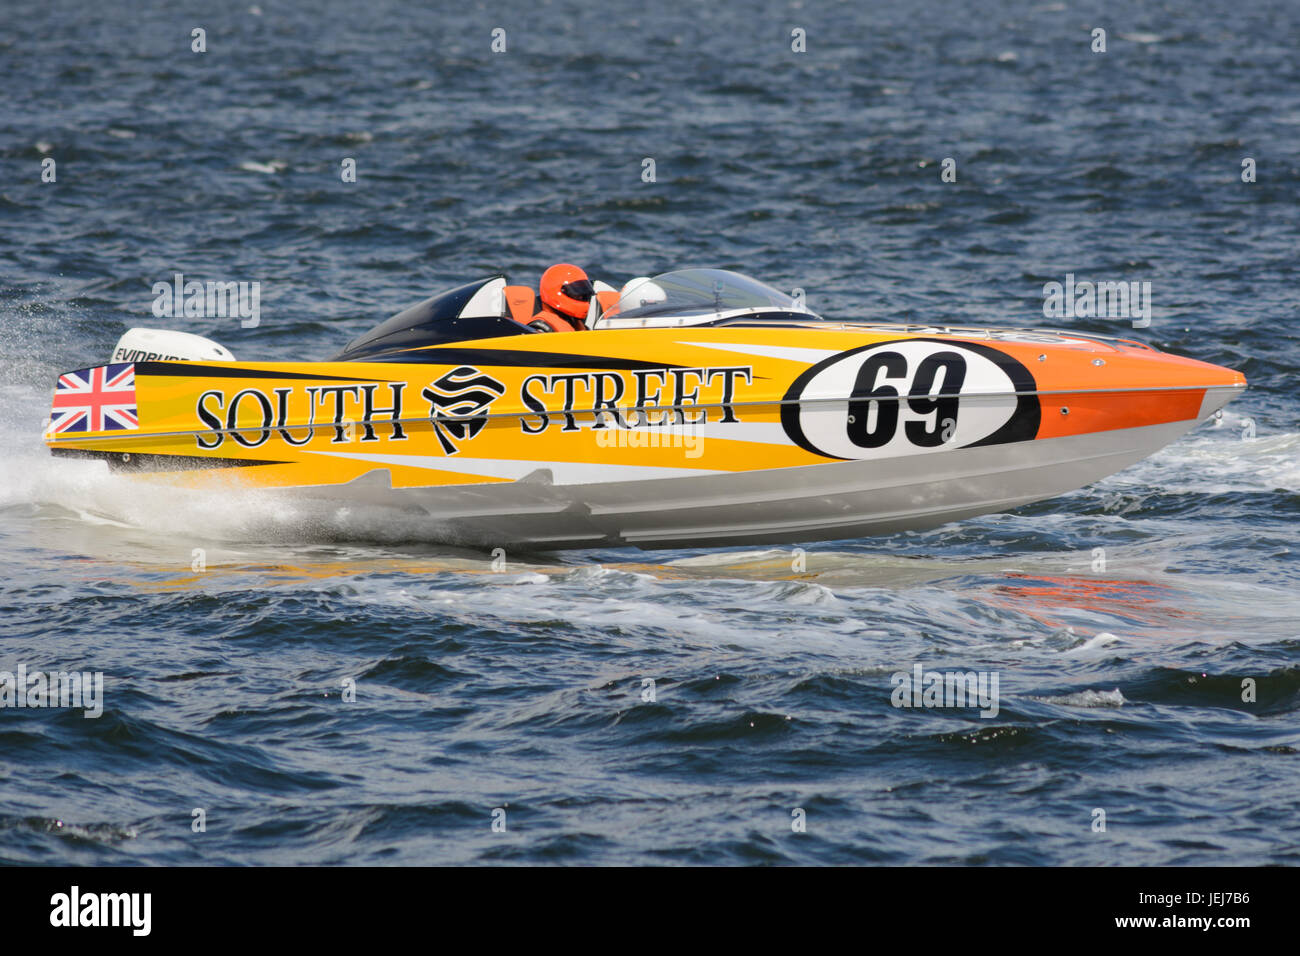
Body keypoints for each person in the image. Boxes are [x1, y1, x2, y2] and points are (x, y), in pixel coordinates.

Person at [528, 263, 596, 332]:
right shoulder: (540, 328)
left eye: (584, 295)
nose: (582, 297)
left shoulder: (575, 322)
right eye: (577, 294)